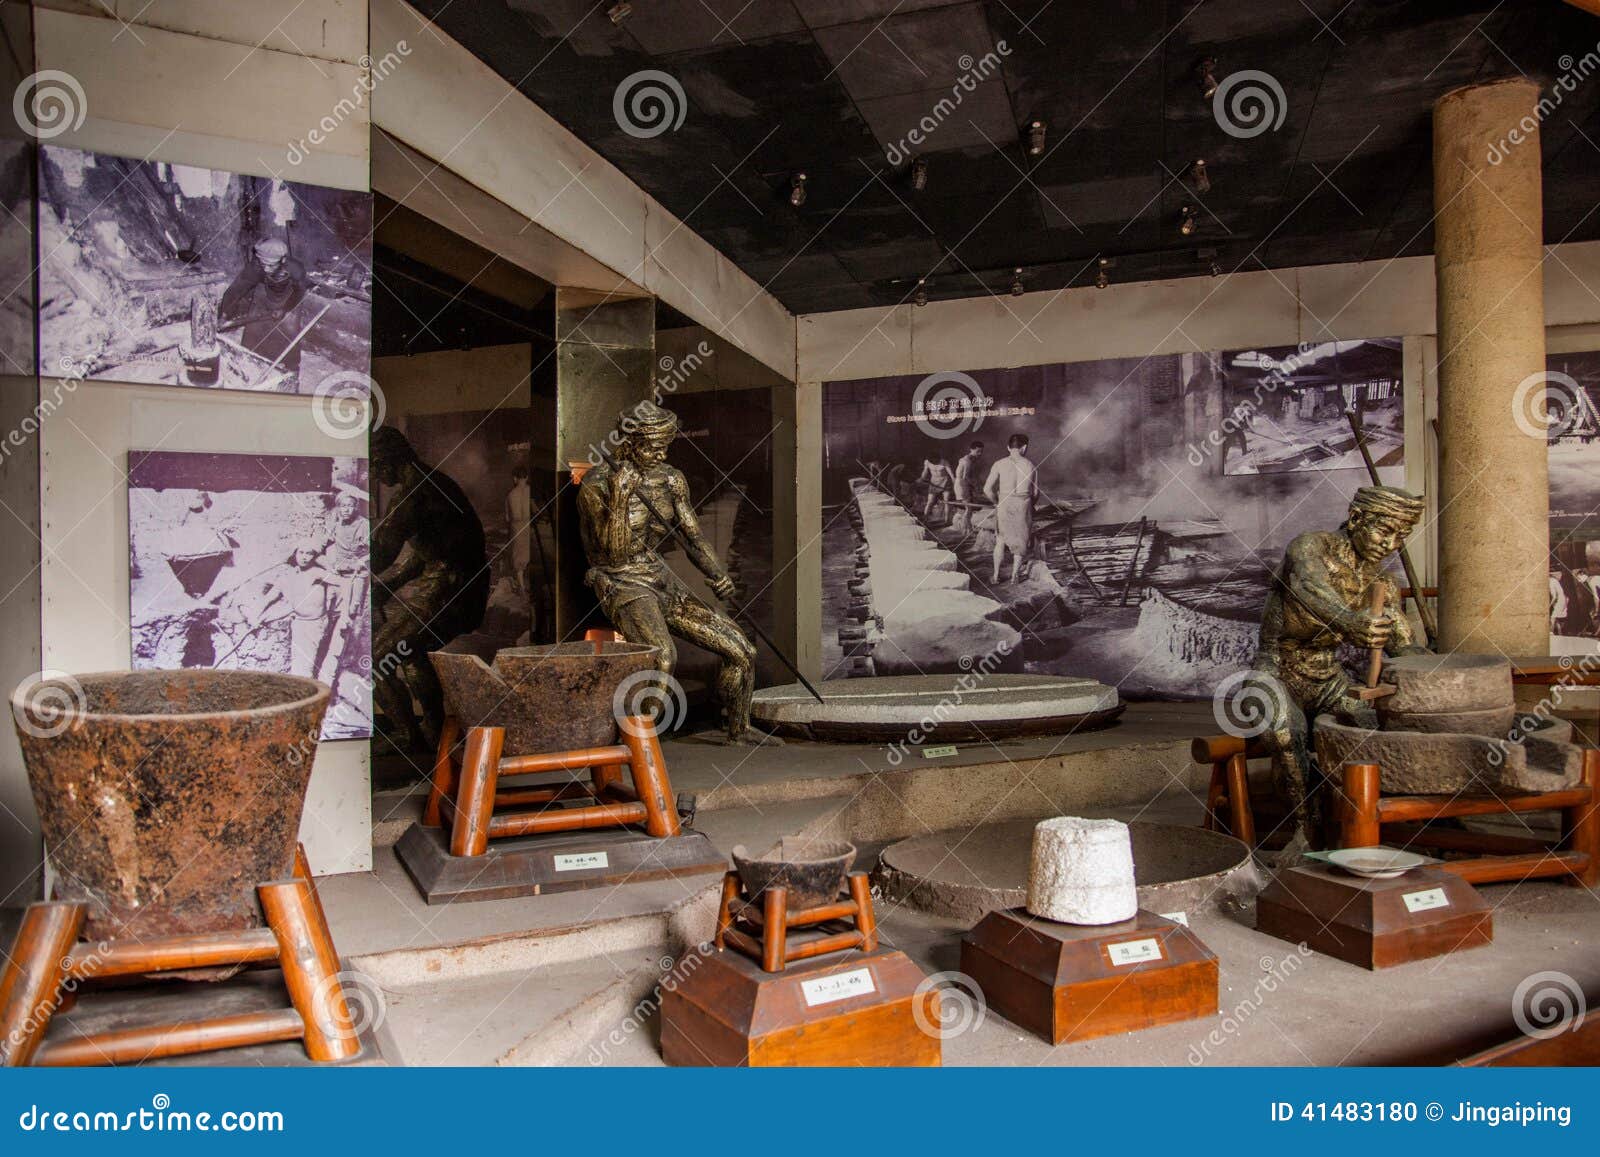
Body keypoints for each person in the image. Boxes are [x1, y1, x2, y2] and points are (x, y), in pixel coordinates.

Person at [1243, 485, 1428, 858]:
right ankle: (1305, 830)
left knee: (1374, 725)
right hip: (1275, 672)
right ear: (1357, 518)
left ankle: (1391, 820)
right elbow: (1307, 588)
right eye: (1384, 530)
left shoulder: (1382, 586)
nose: (1390, 544)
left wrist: (1439, 671)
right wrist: (1351, 621)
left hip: (1330, 679)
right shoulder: (1309, 548)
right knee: (1285, 731)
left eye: (1401, 535)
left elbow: (1405, 649)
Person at [578, 401, 766, 744]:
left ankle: (739, 729)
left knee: (742, 652)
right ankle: (636, 745)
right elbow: (613, 553)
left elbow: (691, 536)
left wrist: (716, 573)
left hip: (657, 578)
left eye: (665, 446)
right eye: (651, 446)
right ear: (629, 442)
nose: (659, 454)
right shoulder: (598, 484)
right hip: (620, 582)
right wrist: (620, 497)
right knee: (663, 658)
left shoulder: (670, 480)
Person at [369, 425, 490, 752]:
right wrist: (389, 586)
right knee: (410, 650)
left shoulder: (413, 494)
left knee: (372, 660)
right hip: (461, 586)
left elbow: (379, 553)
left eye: (374, 467)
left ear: (384, 461)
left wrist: (340, 564)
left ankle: (411, 739)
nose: (375, 476)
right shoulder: (434, 483)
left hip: (452, 589)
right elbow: (430, 554)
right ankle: (437, 738)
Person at [218, 238, 309, 376]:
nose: (266, 269)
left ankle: (290, 368)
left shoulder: (296, 269)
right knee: (254, 331)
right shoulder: (255, 267)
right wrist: (224, 314)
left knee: (289, 330)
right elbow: (236, 290)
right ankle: (250, 359)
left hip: (289, 296)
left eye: (271, 265)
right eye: (263, 264)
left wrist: (285, 309)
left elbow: (299, 292)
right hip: (264, 292)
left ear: (283, 260)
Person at [983, 434, 1037, 584]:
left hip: (1004, 502)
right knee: (1021, 542)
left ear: (1008, 447)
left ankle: (995, 576)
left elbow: (987, 489)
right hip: (1023, 503)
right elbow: (1036, 493)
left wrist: (996, 502)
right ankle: (1015, 576)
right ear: (1024, 447)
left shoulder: (999, 464)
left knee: (1000, 540)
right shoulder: (1031, 466)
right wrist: (1030, 507)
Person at [505, 463, 533, 595]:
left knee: (518, 558)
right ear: (526, 477)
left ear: (515, 478)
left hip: (516, 529)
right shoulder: (530, 492)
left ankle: (521, 587)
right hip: (527, 527)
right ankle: (525, 586)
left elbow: (508, 517)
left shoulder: (510, 495)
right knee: (526, 555)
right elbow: (537, 511)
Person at [952, 441, 984, 533]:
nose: (980, 454)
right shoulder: (967, 461)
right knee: (968, 508)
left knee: (968, 508)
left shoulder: (966, 459)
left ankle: (966, 528)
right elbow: (965, 477)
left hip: (961, 484)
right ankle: (966, 530)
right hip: (961, 485)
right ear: (971, 449)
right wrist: (976, 487)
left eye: (981, 451)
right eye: (978, 451)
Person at [919, 453, 955, 524]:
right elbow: (925, 471)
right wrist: (922, 478)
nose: (934, 462)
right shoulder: (927, 462)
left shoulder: (944, 462)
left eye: (936, 460)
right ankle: (925, 519)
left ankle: (947, 520)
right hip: (934, 483)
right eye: (932, 461)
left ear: (938, 459)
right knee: (930, 501)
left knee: (946, 501)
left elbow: (951, 474)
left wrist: (954, 482)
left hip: (945, 482)